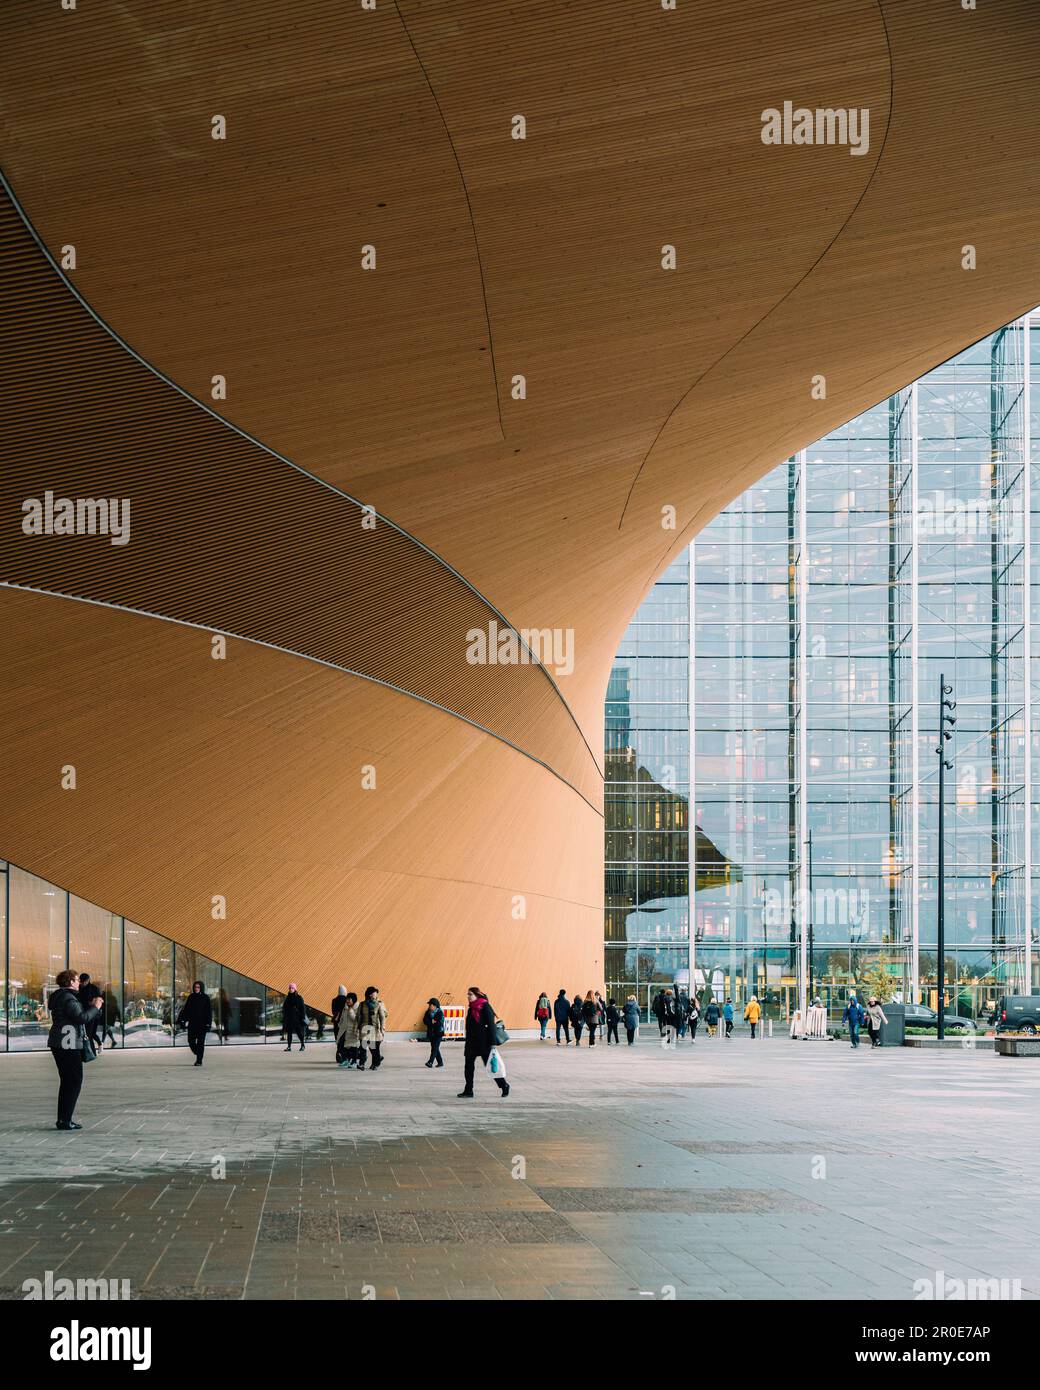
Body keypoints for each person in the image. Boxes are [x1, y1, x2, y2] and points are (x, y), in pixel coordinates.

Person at [48, 969, 102, 1130]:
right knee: (73, 1081)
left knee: (68, 1081)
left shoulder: (61, 997)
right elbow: (82, 1018)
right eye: (77, 980)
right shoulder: (68, 998)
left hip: (62, 1042)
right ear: (70, 982)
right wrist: (96, 1007)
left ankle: (64, 1119)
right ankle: (65, 1120)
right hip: (68, 1043)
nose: (79, 982)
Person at [458, 986, 509, 1098]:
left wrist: (492, 1044)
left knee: (490, 1065)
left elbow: (491, 1026)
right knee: (468, 1067)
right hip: (471, 1043)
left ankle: (504, 1085)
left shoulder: (485, 1007)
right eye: (468, 994)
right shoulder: (471, 1008)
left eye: (470, 994)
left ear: (477, 995)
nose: (468, 996)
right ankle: (468, 1090)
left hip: (483, 1043)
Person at [177, 980, 213, 1066]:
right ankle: (198, 1052)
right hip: (192, 1024)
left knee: (200, 1043)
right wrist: (183, 1020)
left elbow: (209, 1012)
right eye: (195, 987)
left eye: (198, 987)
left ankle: (199, 1061)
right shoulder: (191, 997)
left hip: (202, 1024)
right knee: (191, 1041)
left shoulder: (205, 998)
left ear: (201, 988)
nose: (196, 988)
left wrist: (208, 1024)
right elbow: (186, 1010)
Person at [357, 986, 388, 1070]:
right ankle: (361, 1064)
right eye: (375, 992)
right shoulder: (362, 1004)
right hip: (365, 1028)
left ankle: (376, 1063)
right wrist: (357, 1028)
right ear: (370, 994)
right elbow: (359, 1016)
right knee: (363, 1047)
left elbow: (382, 1017)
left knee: (374, 1048)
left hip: (375, 1029)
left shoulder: (379, 1004)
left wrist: (382, 1029)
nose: (376, 994)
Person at [77, 973, 103, 1055]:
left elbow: (99, 1001)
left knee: (89, 1034)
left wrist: (91, 1003)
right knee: (88, 1034)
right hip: (83, 1014)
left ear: (88, 980)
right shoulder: (79, 988)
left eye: (85, 982)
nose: (83, 983)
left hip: (92, 1014)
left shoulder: (94, 988)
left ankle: (91, 1052)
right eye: (82, 982)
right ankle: (91, 1051)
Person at [335, 991, 360, 1068]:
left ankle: (354, 1061)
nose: (348, 1001)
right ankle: (345, 1060)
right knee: (342, 1045)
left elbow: (357, 1019)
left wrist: (351, 1012)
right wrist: (340, 1025)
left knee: (353, 1047)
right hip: (344, 1030)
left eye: (349, 999)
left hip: (353, 1031)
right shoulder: (345, 1008)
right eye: (347, 999)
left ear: (354, 1000)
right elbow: (342, 1018)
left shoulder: (358, 1008)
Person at [282, 984, 306, 1052]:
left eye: (292, 988)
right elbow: (284, 1008)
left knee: (299, 1033)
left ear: (295, 989)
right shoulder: (287, 998)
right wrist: (284, 1015)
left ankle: (302, 1045)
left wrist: (302, 1017)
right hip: (289, 1018)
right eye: (290, 988)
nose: (291, 989)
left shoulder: (299, 997)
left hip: (297, 1019)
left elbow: (303, 1008)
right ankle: (289, 1046)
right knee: (289, 1033)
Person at [423, 997, 445, 1067]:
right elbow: (425, 1021)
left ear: (435, 1005)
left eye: (430, 1005)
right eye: (429, 1005)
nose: (429, 1006)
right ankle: (440, 1062)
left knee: (434, 1048)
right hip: (431, 1033)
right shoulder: (427, 1012)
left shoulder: (440, 1013)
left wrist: (432, 1022)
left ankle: (430, 1062)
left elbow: (440, 1023)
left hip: (438, 1033)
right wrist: (432, 1022)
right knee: (435, 1048)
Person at [332, 986, 349, 1063]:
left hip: (336, 1022)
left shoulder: (334, 1000)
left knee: (338, 1038)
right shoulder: (347, 1000)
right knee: (344, 1039)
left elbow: (333, 1011)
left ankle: (338, 1055)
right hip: (345, 1022)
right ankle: (343, 1056)